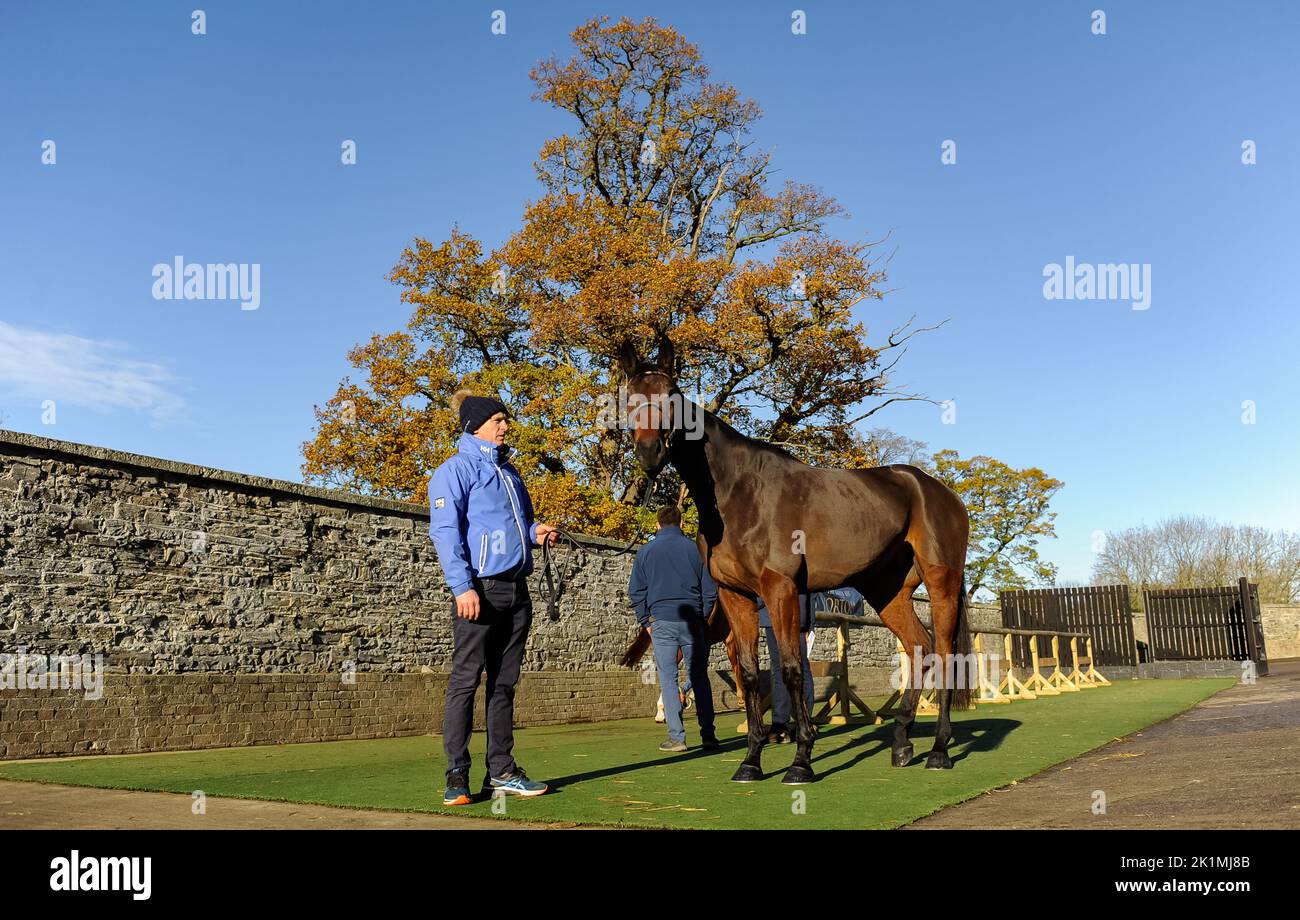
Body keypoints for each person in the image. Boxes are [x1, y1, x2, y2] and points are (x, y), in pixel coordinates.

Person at [428, 391, 559, 805]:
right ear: (475, 426)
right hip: (479, 591)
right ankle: (456, 774)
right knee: (465, 681)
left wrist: (536, 533)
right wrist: (461, 586)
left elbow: (520, 524)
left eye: (505, 420)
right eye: (498, 420)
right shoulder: (454, 471)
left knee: (504, 685)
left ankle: (501, 771)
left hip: (517, 591)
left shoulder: (511, 473)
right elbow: (445, 531)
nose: (505, 426)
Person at [628, 506, 719, 752]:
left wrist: (646, 622)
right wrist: (701, 618)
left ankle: (677, 738)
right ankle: (708, 735)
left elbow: (636, 591)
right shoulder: (696, 550)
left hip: (661, 621)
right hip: (692, 621)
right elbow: (710, 591)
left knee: (668, 679)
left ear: (657, 525)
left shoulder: (645, 552)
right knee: (699, 676)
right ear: (681, 524)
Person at [757, 592, 816, 743]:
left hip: (777, 613)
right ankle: (803, 722)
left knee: (781, 669)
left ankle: (781, 725)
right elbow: (812, 590)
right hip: (798, 613)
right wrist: (810, 622)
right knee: (800, 668)